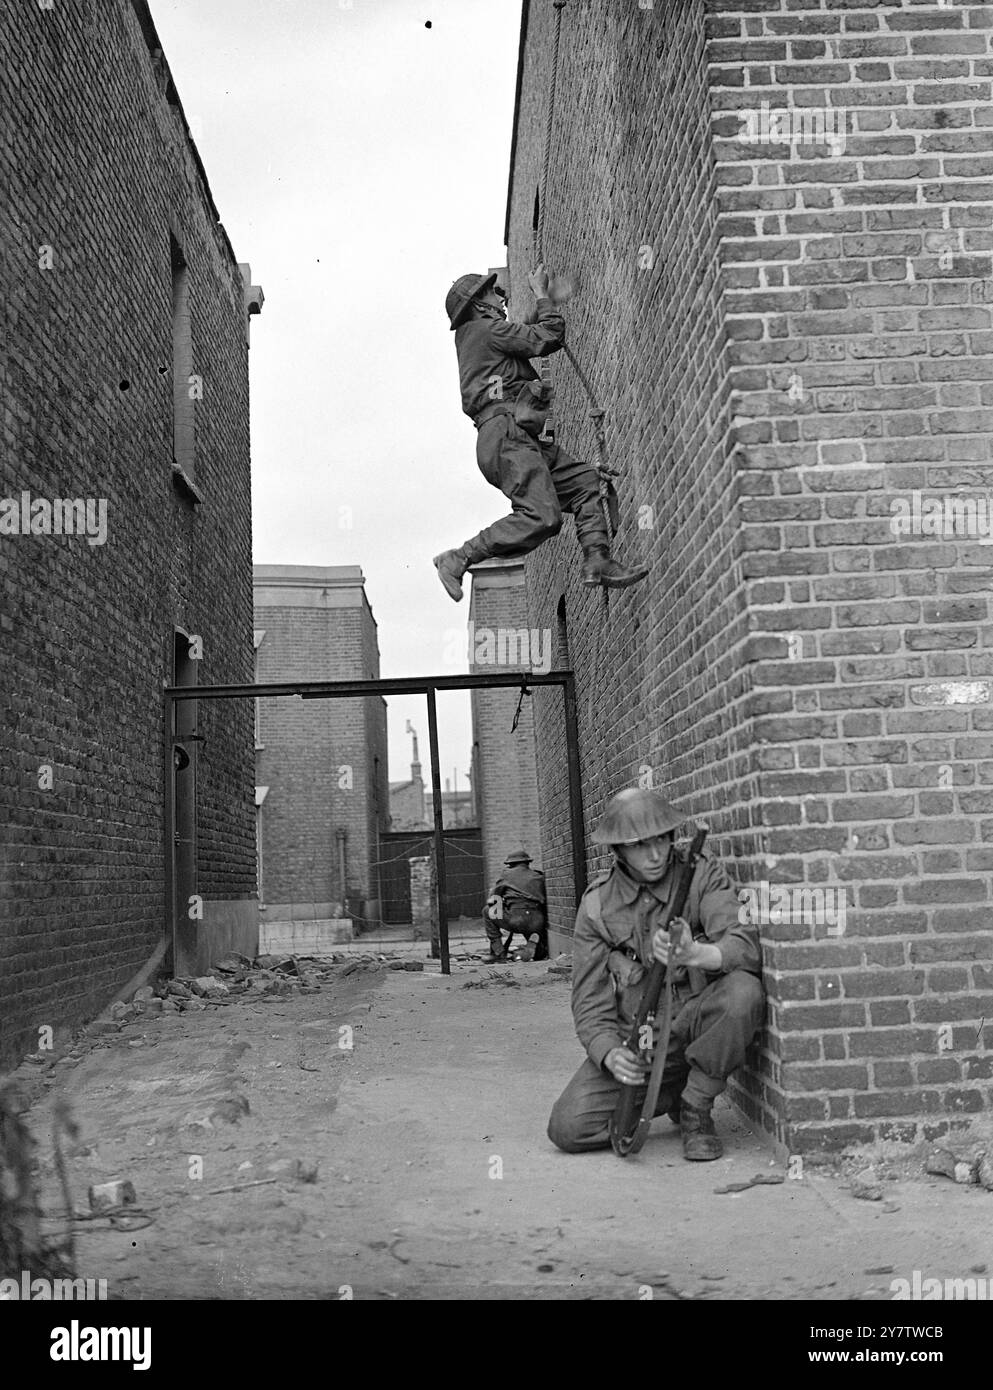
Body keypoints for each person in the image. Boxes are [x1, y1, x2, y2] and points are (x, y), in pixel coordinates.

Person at [546, 788, 764, 1161]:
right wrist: (609, 1053)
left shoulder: (699, 873)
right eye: (639, 845)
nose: (655, 854)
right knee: (568, 1127)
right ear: (617, 850)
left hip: (696, 1026)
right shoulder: (597, 906)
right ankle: (671, 1093)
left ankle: (696, 1106)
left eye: (661, 839)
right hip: (641, 1043)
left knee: (744, 993)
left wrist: (699, 953)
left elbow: (743, 944)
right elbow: (588, 1001)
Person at [433, 266, 649, 602]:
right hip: (508, 436)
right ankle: (459, 557)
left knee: (586, 483)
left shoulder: (482, 334)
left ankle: (597, 561)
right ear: (479, 305)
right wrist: (542, 296)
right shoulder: (485, 330)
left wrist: (541, 303)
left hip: (515, 437)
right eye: (492, 292)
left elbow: (521, 334)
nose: (501, 295)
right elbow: (549, 335)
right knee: (542, 516)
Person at [483, 849, 548, 964]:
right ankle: (539, 950)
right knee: (531, 925)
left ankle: (498, 953)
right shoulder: (538, 876)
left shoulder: (506, 875)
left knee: (488, 911)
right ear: (527, 863)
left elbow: (494, 899)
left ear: (510, 864)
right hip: (537, 920)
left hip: (515, 919)